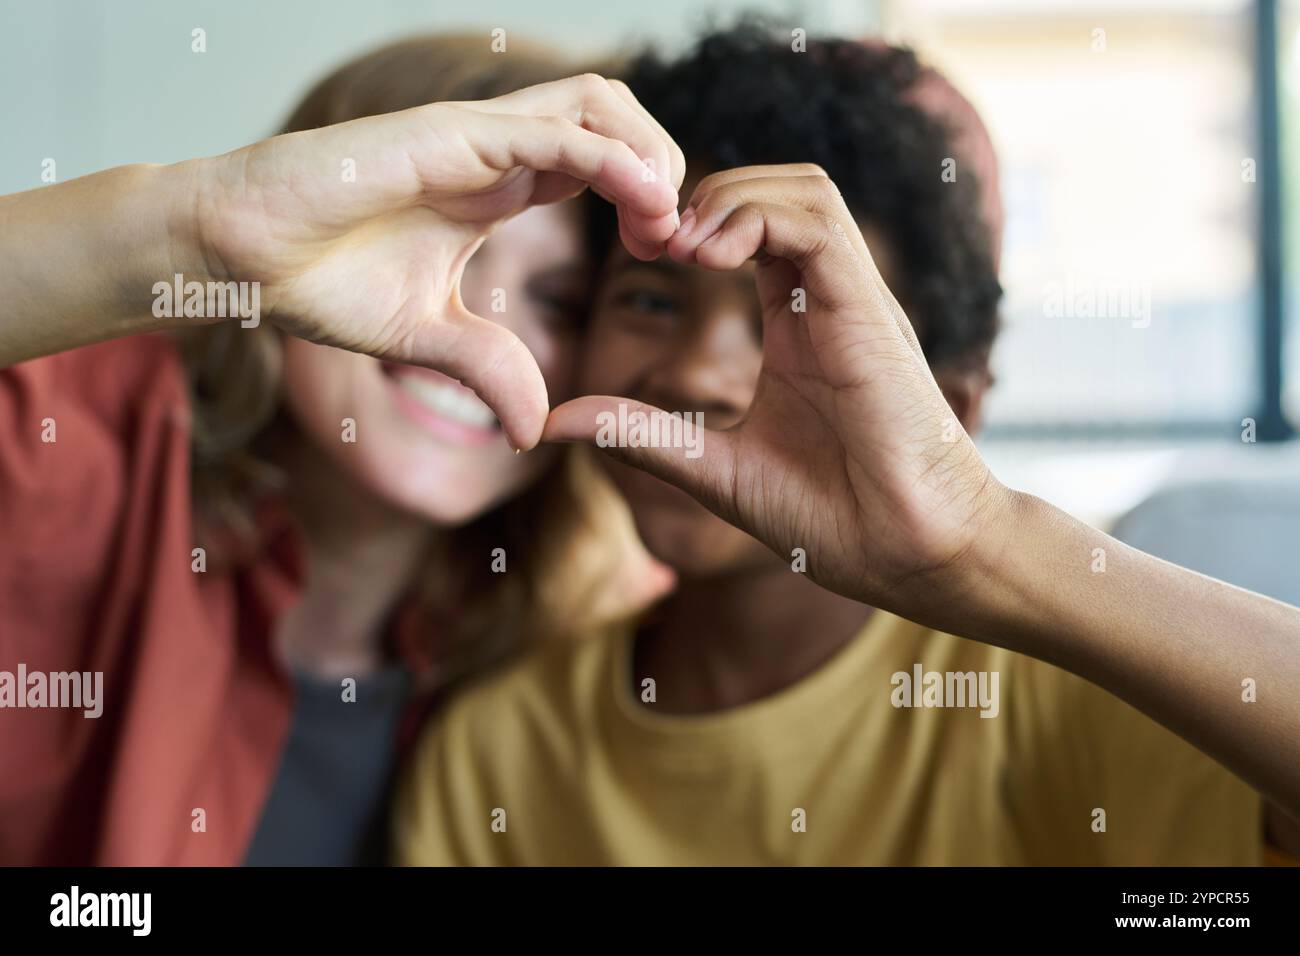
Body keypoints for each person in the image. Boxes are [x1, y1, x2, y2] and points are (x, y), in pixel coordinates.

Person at [394, 26, 1300, 864]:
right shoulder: (496, 751)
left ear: (947, 408)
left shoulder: (1048, 696)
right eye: (649, 300)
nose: (698, 375)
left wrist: (983, 534)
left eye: (791, 328)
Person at [0, 37, 682, 865]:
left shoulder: (586, 646)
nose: (478, 321)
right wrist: (205, 232)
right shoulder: (62, 453)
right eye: (428, 239)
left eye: (561, 303)